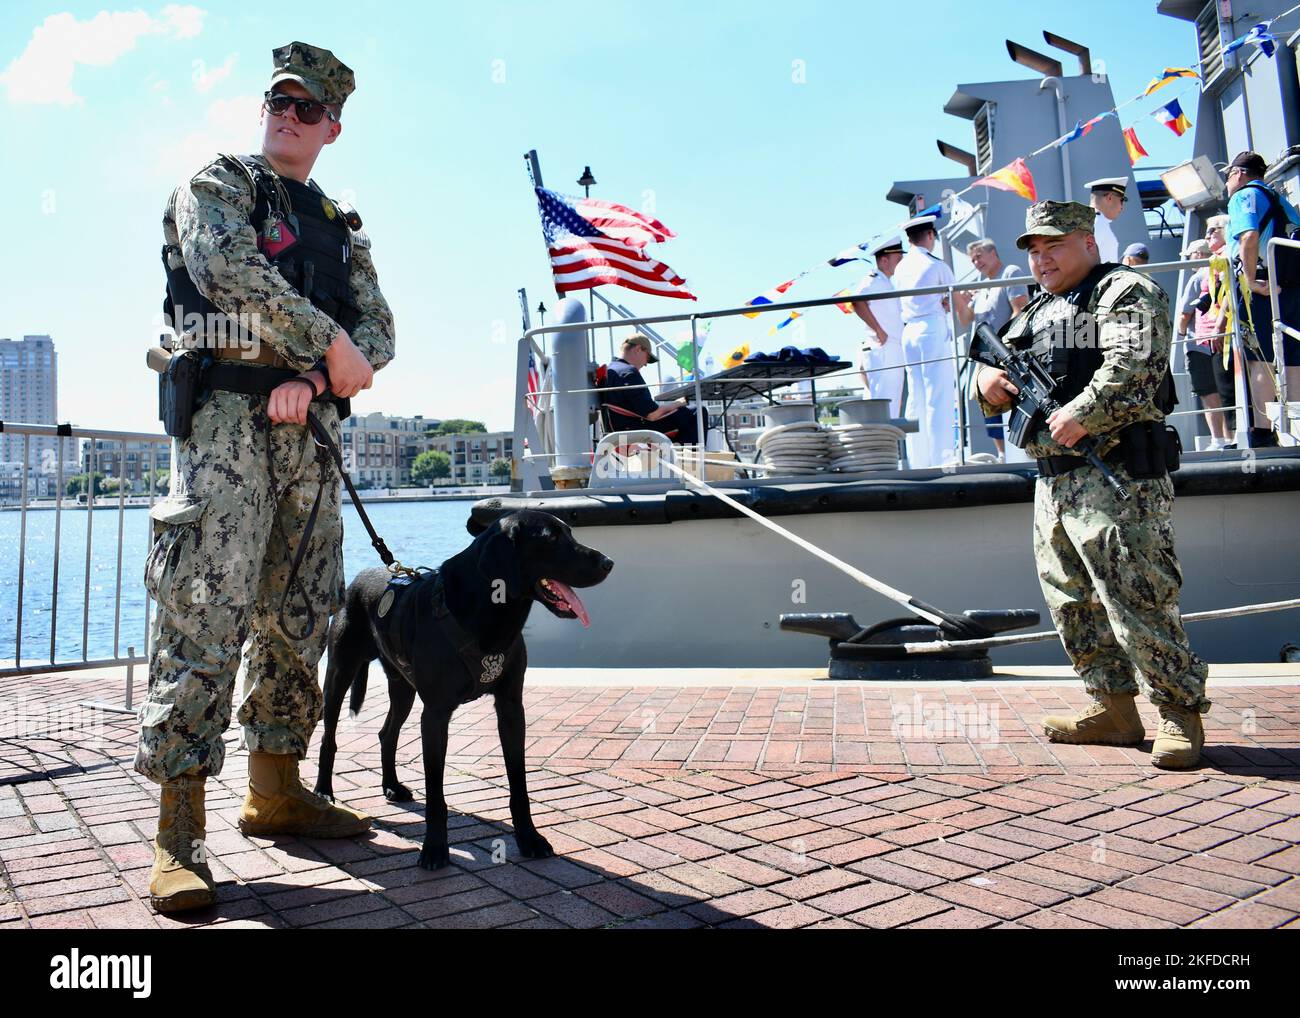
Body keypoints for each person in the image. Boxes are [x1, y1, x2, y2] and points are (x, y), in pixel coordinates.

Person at [138, 42, 395, 913]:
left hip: (308, 431)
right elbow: (224, 269)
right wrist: (327, 343)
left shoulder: (339, 220)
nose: (287, 114)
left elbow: (379, 334)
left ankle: (276, 788)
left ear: (332, 126)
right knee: (203, 614)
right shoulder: (221, 183)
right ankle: (179, 836)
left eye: (307, 107)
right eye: (278, 100)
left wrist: (318, 378)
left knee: (298, 612)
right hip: (224, 428)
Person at [972, 200, 1210, 769]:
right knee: (1073, 602)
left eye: (1054, 244)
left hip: (1116, 472)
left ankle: (1178, 714)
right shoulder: (1033, 313)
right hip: (1052, 483)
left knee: (1139, 596)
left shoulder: (1122, 291)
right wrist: (986, 383)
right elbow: (984, 372)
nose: (1042, 257)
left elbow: (1134, 363)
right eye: (1033, 249)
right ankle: (1114, 710)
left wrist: (1086, 411)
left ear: (1089, 242)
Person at [1223, 150, 1300, 447]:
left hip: (1263, 290)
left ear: (1239, 174)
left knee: (1258, 360)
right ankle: (1294, 429)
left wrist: (1250, 280)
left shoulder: (1243, 197)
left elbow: (1248, 236)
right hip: (1290, 286)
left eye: (1228, 175)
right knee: (1293, 360)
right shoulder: (1280, 200)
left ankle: (1262, 432)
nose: (1228, 182)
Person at [892, 215, 958, 467]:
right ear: (930, 235)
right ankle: (942, 458)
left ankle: (917, 460)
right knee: (937, 396)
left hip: (909, 331)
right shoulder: (936, 264)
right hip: (931, 328)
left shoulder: (901, 267)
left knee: (916, 398)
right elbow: (953, 298)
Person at [954, 238, 1029, 458]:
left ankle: (1019, 453)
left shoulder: (1010, 273)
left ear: (993, 253)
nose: (976, 262)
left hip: (1006, 352)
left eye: (979, 256)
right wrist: (961, 301)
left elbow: (1020, 309)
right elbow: (967, 319)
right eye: (972, 259)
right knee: (988, 408)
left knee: (1008, 400)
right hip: (984, 357)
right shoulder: (979, 282)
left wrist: (1004, 347)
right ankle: (1003, 454)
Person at [1177, 235, 1233, 447]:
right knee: (1225, 392)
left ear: (1199, 255)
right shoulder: (1221, 271)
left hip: (1198, 343)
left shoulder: (1197, 277)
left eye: (1190, 256)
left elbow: (1185, 314)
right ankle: (1231, 437)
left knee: (1208, 394)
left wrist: (1181, 334)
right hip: (1223, 342)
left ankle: (1217, 439)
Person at [601, 333, 701, 443]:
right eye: (647, 358)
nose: (646, 364)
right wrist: (678, 403)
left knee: (684, 418)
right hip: (635, 430)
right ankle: (693, 459)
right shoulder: (628, 373)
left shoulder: (610, 370)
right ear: (638, 349)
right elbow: (653, 414)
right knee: (697, 412)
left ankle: (680, 456)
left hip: (618, 429)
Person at [852, 235, 906, 417]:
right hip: (884, 349)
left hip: (893, 349)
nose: (901, 262)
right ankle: (881, 445)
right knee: (884, 406)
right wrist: (878, 330)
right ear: (884, 260)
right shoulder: (873, 281)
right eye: (898, 258)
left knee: (891, 407)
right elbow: (858, 302)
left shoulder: (886, 283)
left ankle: (887, 444)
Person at [1084, 177, 1127, 263]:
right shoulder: (1097, 222)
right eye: (1121, 200)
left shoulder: (1092, 220)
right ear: (1109, 198)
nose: (1122, 207)